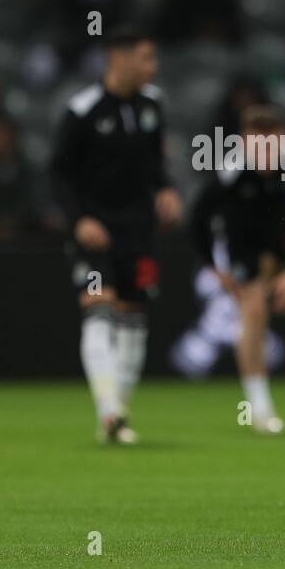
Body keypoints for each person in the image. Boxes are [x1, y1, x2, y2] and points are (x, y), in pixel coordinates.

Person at [50, 29, 181, 444]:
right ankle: (108, 411)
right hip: (95, 233)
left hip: (138, 233)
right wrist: (79, 220)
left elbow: (154, 160)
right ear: (119, 59)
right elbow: (59, 173)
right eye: (145, 58)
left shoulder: (152, 104)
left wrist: (165, 189)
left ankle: (116, 414)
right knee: (98, 307)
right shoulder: (82, 110)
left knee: (134, 321)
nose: (152, 67)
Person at [189, 104, 285, 434]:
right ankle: (259, 407)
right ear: (244, 142)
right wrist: (212, 266)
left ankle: (265, 404)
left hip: (276, 252)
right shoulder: (231, 171)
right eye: (258, 141)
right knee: (254, 313)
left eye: (274, 140)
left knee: (260, 316)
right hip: (240, 251)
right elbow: (198, 219)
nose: (267, 150)